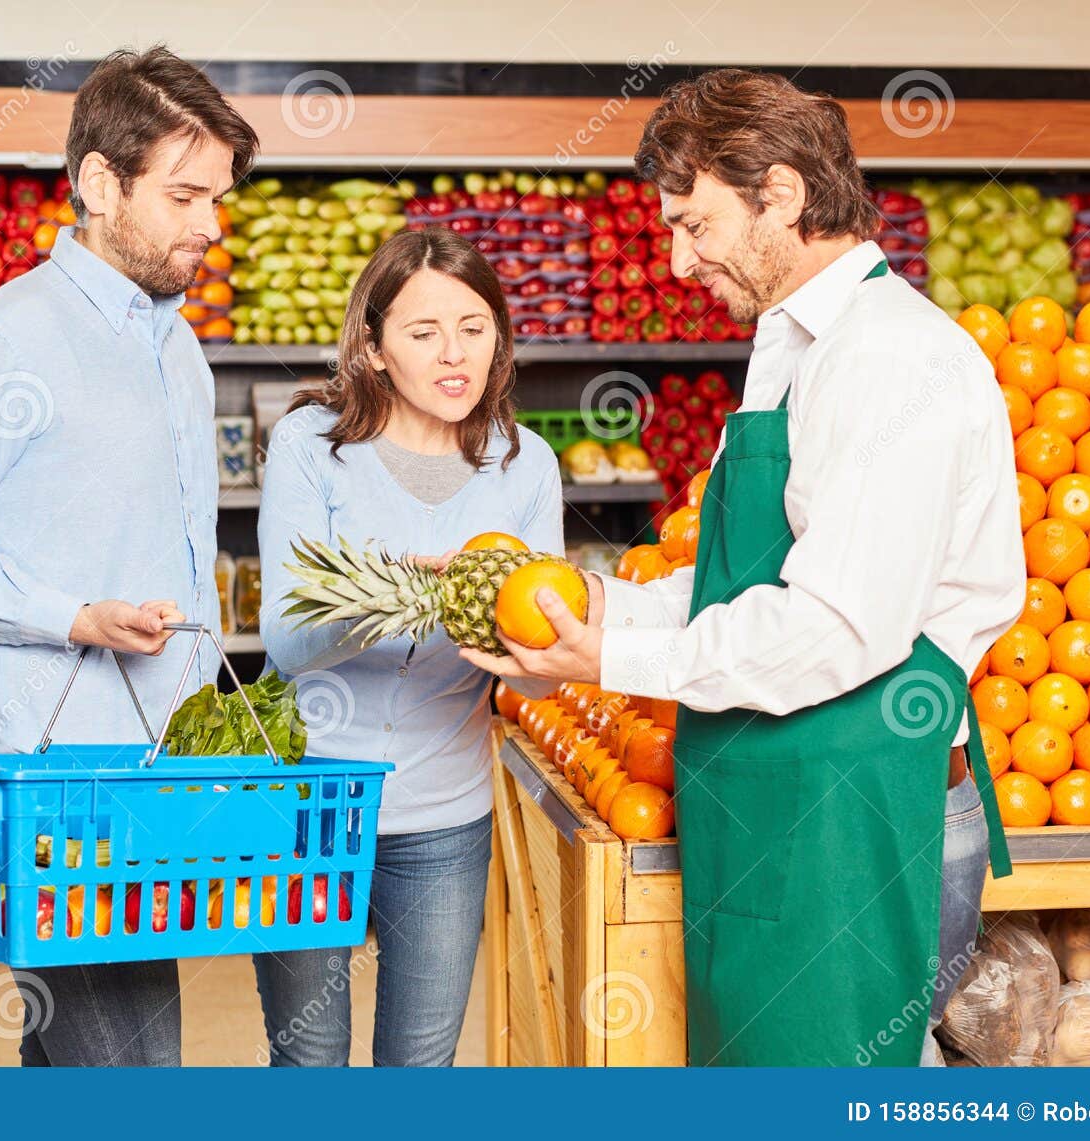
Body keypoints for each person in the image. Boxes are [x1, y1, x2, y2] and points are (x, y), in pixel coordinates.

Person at [463, 69, 1023, 1066]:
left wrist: (611, 659)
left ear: (784, 194)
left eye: (696, 224)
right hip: (776, 804)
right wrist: (602, 605)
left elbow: (838, 625)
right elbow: (735, 574)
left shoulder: (891, 359)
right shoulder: (794, 347)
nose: (679, 260)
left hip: (854, 812)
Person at [0, 46, 259, 1067]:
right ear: (97, 184)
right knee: (131, 1071)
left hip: (161, 766)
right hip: (53, 776)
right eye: (184, 195)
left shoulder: (177, 347)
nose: (210, 224)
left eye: (220, 197)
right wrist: (69, 613)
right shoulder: (1, 341)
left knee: (82, 1063)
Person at [254, 228, 564, 1066]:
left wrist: (531, 643)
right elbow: (284, 640)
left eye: (473, 326)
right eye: (423, 332)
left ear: (500, 336)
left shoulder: (525, 464)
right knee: (309, 1059)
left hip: (445, 813)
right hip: (308, 808)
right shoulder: (315, 447)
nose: (453, 353)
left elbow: (537, 689)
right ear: (374, 346)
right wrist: (406, 592)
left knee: (421, 1067)